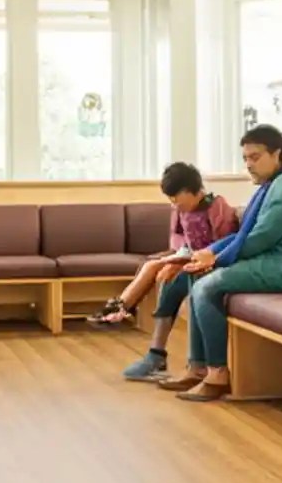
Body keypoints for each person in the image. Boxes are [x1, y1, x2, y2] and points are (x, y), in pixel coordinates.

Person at [156, 125, 282, 402]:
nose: (249, 164)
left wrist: (214, 258)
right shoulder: (274, 184)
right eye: (245, 158)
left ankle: (218, 375)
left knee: (206, 286)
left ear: (277, 154)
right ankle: (197, 366)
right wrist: (206, 254)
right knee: (196, 274)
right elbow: (244, 236)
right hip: (277, 260)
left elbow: (259, 239)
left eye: (255, 157)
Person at [90, 163, 239, 381]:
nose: (174, 203)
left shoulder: (217, 206)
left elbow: (225, 242)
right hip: (188, 257)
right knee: (166, 278)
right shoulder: (179, 210)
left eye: (177, 197)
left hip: (211, 263)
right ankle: (155, 354)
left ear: (193, 190)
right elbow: (176, 237)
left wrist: (192, 258)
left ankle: (121, 308)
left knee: (154, 267)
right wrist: (179, 257)